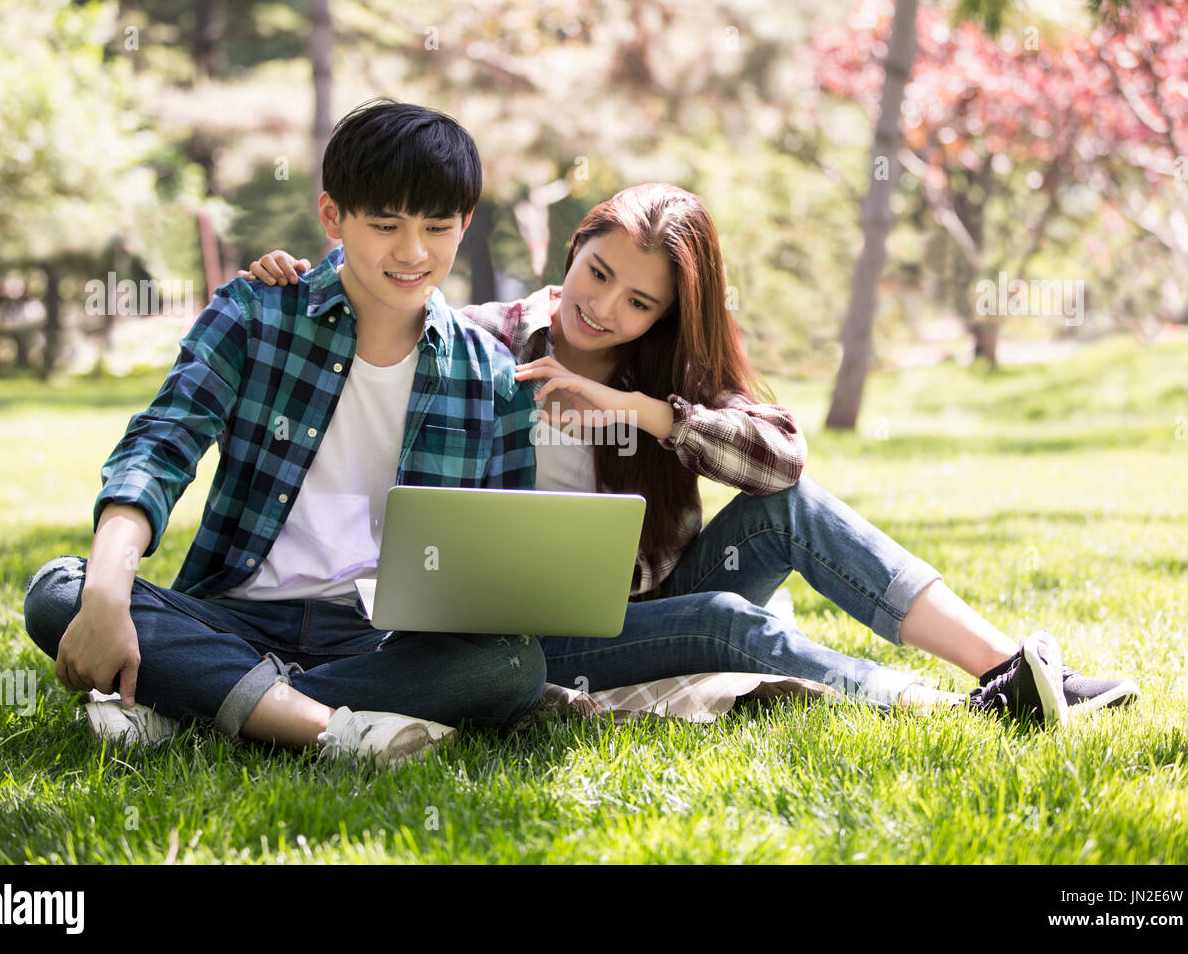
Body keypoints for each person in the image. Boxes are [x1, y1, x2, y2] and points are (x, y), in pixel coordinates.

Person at [245, 182, 1139, 726]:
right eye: (598, 275)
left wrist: (641, 410)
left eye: (638, 303)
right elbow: (370, 314)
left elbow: (782, 459)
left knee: (788, 508)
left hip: (640, 605)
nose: (604, 310)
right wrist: (293, 283)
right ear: (574, 250)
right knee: (728, 622)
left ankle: (1011, 671)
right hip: (514, 635)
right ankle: (941, 710)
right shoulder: (476, 340)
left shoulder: (662, 377)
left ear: (664, 317)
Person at [22, 99, 547, 767]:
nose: (412, 252)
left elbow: (496, 570)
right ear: (333, 217)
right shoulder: (256, 313)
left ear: (464, 224)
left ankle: (203, 706)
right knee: (60, 589)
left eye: (437, 227)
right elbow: (160, 446)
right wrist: (104, 594)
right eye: (385, 224)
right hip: (233, 617)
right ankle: (332, 728)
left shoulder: (492, 374)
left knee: (511, 663)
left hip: (379, 639)